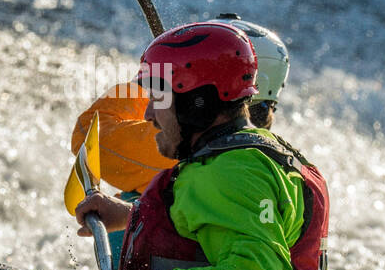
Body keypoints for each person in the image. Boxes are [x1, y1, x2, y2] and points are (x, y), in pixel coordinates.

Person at [74, 21, 329, 270]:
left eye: (159, 99)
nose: (148, 114)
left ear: (198, 102)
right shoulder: (265, 156)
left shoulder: (229, 172)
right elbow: (221, 225)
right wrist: (130, 215)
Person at [69, 13, 292, 257]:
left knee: (136, 195)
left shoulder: (177, 144)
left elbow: (87, 133)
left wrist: (150, 82)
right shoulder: (268, 153)